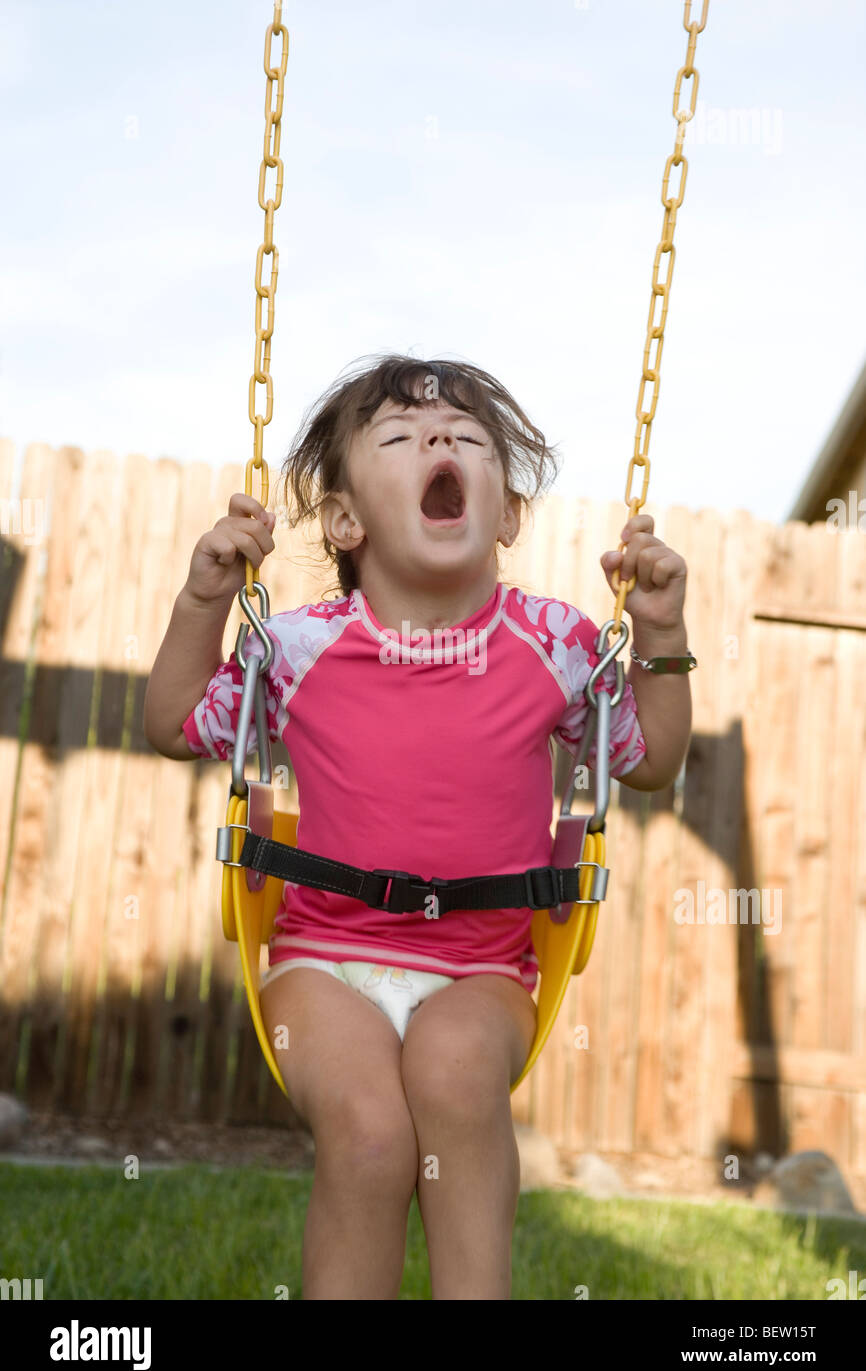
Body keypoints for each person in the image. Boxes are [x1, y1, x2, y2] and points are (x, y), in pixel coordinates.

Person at [143, 353, 692, 1299]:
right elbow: (174, 724)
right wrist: (206, 601)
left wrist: (664, 640)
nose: (440, 438)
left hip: (483, 972)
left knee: (452, 1081)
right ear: (348, 522)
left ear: (507, 513)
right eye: (399, 437)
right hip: (321, 960)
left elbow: (645, 761)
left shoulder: (555, 643)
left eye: (468, 438)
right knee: (368, 1133)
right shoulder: (301, 646)